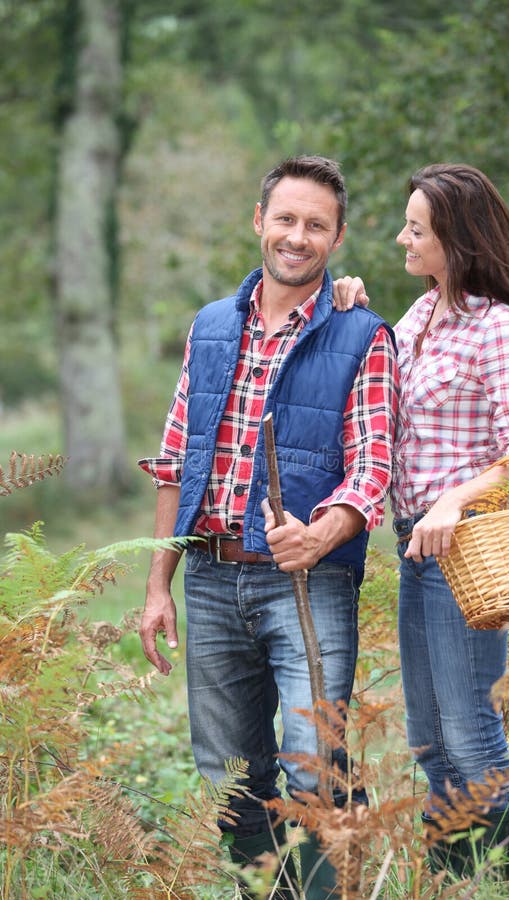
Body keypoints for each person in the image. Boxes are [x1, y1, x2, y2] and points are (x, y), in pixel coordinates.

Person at [138, 155, 398, 899]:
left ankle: (332, 888)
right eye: (285, 218)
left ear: (338, 236)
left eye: (316, 225)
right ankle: (274, 894)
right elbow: (176, 460)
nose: (297, 236)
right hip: (214, 580)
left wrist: (319, 534)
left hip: (306, 584)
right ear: (259, 222)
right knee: (229, 775)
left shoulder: (363, 334)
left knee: (316, 764)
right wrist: (160, 586)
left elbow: (373, 466)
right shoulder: (212, 325)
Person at [334, 162, 509, 878]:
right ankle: (450, 880)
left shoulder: (495, 325)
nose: (401, 238)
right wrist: (351, 310)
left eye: (416, 229)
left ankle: (494, 882)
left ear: (456, 241)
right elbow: (381, 388)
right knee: (430, 735)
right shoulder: (422, 312)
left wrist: (452, 500)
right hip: (414, 547)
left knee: (469, 730)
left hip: (465, 547)